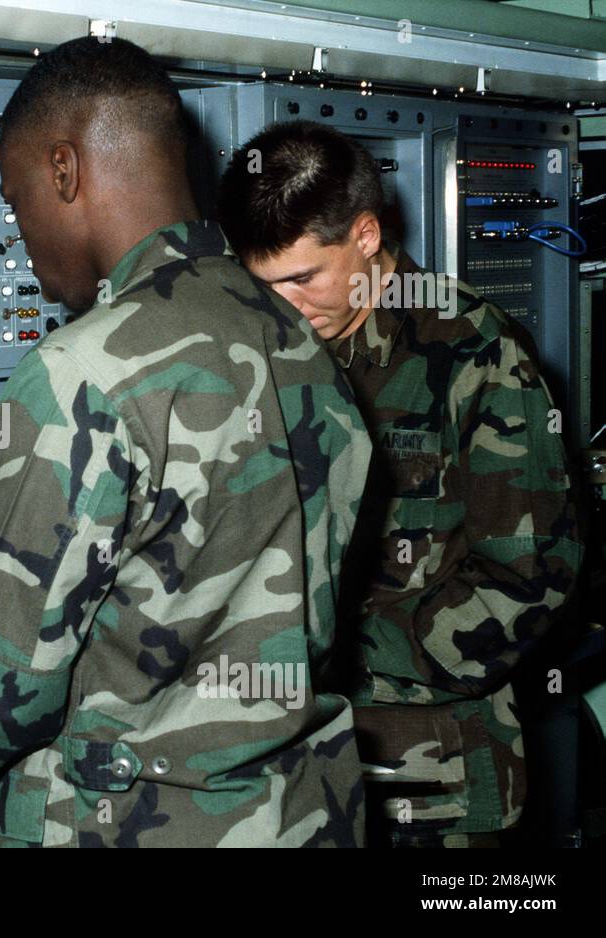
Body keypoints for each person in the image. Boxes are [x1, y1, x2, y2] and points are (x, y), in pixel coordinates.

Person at [0, 37, 372, 847]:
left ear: (65, 171)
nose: (22, 241)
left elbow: (4, 697)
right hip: (305, 815)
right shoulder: (293, 335)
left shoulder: (81, 372)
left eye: (16, 202)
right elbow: (228, 593)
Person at [217, 120, 582, 846]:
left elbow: (530, 578)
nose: (283, 308)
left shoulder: (474, 351)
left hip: (435, 786)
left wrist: (333, 649)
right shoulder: (258, 351)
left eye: (302, 279)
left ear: (366, 235)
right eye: (263, 286)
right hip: (284, 782)